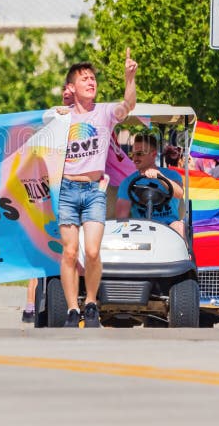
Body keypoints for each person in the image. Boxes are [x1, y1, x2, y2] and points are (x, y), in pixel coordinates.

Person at [58, 50, 137, 328]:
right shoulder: (60, 117)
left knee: (91, 251)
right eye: (84, 79)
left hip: (93, 190)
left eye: (93, 78)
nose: (91, 82)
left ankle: (90, 302)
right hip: (66, 189)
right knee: (69, 252)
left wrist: (130, 77)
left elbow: (128, 105)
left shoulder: (104, 112)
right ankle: (71, 309)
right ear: (71, 88)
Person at [116, 133, 184, 234]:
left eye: (139, 154)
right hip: (141, 229)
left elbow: (179, 193)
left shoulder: (172, 175)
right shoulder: (127, 182)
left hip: (169, 227)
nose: (134, 158)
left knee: (179, 226)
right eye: (132, 154)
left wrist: (160, 176)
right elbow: (121, 217)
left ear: (153, 154)